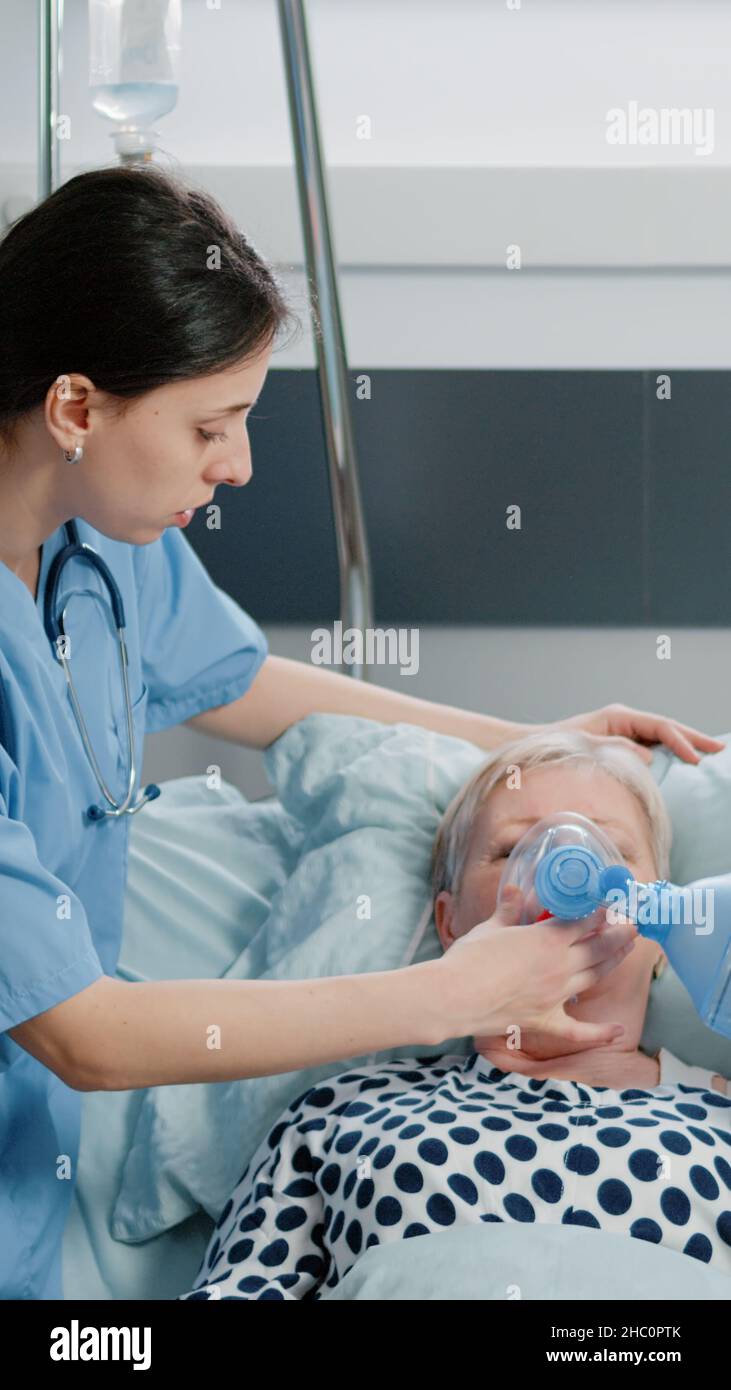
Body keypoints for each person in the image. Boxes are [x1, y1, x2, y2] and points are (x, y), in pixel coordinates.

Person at [0, 164, 722, 1302]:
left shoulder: (107, 538)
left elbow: (243, 684)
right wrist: (453, 994)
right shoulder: (342, 1126)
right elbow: (80, 1034)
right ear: (76, 410)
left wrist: (524, 741)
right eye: (210, 425)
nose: (239, 465)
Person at [177, 731, 730, 1301]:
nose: (570, 864)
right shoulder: (338, 1118)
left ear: (667, 931)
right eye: (512, 849)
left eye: (610, 847)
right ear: (452, 925)